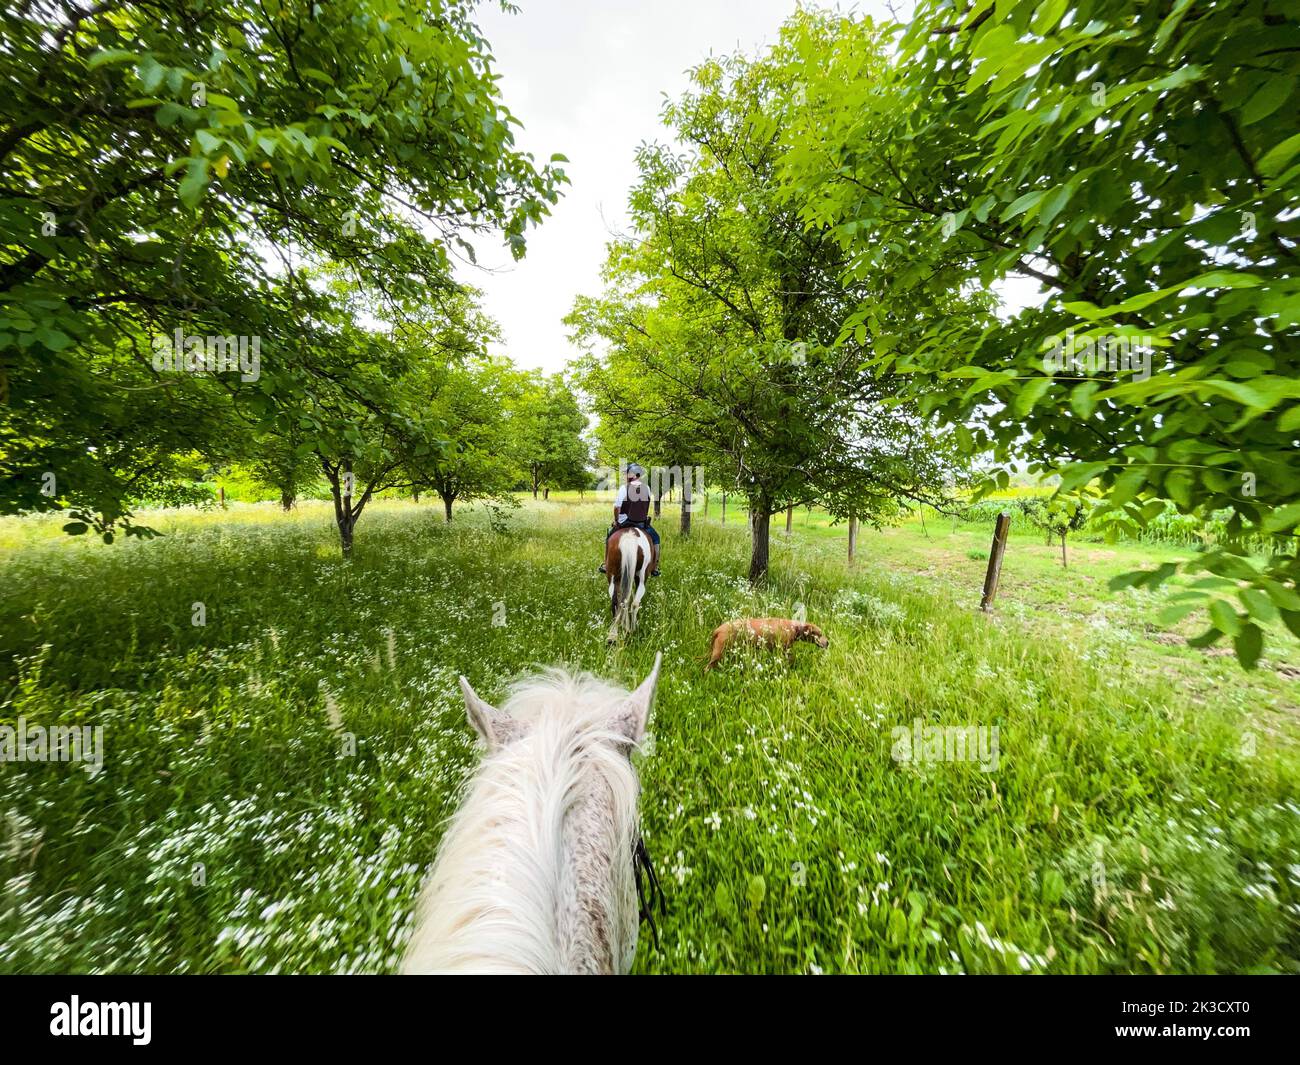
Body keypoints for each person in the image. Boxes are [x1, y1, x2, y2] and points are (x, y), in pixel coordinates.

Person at [598, 463, 661, 576]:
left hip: (624, 523)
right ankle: (655, 567)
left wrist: (616, 521)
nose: (626, 476)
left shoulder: (624, 488)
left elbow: (617, 507)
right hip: (641, 524)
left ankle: (606, 564)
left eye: (627, 473)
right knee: (656, 539)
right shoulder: (646, 488)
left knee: (609, 537)